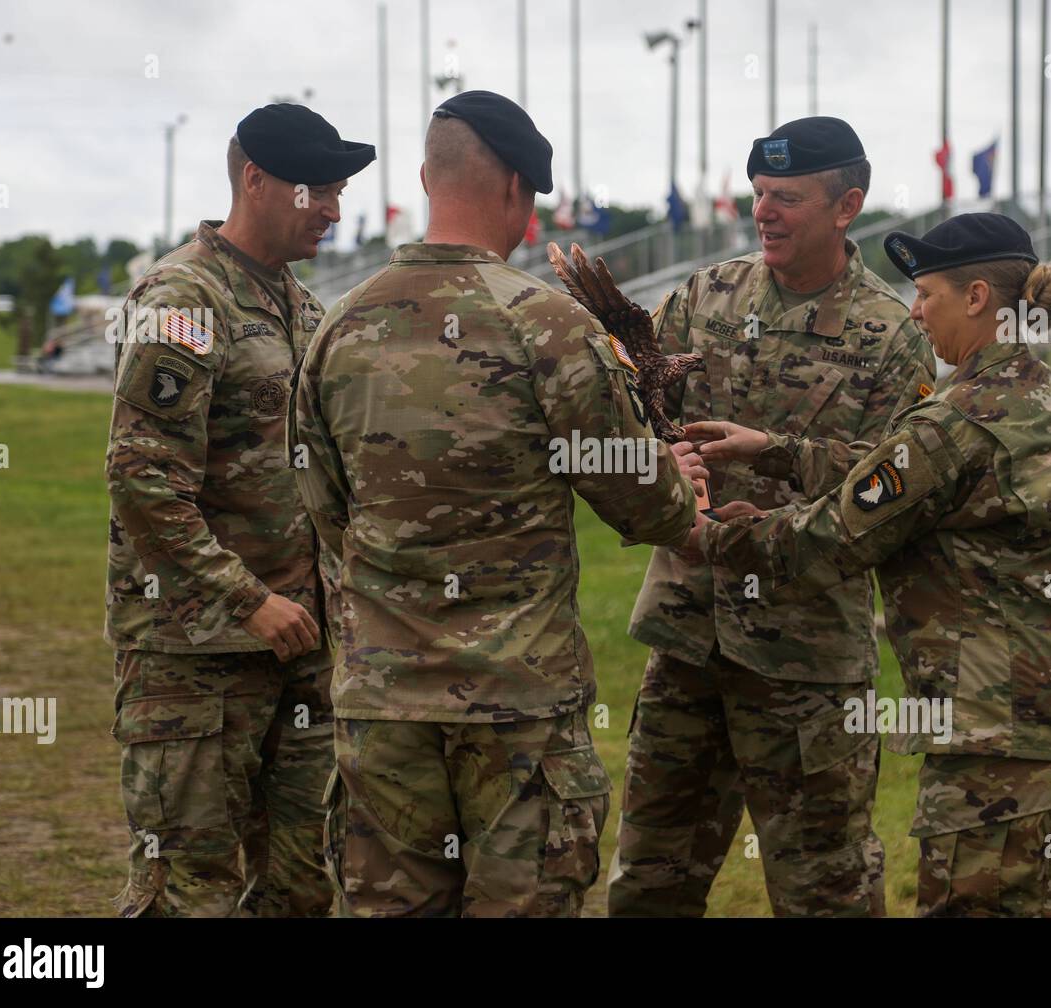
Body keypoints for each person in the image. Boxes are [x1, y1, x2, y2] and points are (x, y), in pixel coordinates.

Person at [291, 90, 698, 918]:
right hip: (517, 710)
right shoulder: (549, 325)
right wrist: (678, 481)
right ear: (516, 187)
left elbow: (326, 504)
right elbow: (644, 505)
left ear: (423, 177)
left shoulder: (338, 327)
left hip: (383, 705)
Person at [685, 213, 1051, 917]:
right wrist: (777, 448)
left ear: (977, 297)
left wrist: (707, 536)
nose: (914, 312)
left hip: (994, 732)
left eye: (926, 294)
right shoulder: (1038, 391)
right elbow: (905, 481)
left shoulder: (959, 418)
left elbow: (835, 536)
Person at [609, 117, 936, 918]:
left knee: (824, 890)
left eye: (787, 197)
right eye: (759, 194)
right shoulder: (709, 296)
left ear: (846, 205)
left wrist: (782, 449)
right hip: (688, 637)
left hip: (807, 662)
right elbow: (647, 415)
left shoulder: (891, 339)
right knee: (649, 881)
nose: (765, 212)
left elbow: (894, 494)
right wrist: (654, 460)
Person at [105, 103, 374, 917]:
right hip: (197, 656)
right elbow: (141, 477)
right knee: (186, 893)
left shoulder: (303, 310)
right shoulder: (183, 298)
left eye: (336, 193)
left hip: (300, 648)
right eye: (315, 191)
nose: (331, 210)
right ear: (254, 180)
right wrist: (248, 601)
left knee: (300, 886)